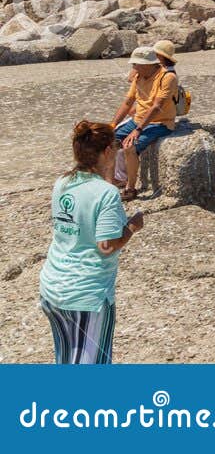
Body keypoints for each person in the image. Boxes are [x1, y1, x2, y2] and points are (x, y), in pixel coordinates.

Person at [39, 120, 144, 363]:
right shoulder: (106, 194)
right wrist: (132, 226)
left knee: (66, 360)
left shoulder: (62, 182)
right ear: (107, 152)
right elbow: (106, 246)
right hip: (85, 295)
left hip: (53, 288)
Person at [108, 46, 177, 199]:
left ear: (149, 64)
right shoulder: (139, 76)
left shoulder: (167, 77)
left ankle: (131, 189)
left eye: (136, 64)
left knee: (129, 147)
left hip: (160, 123)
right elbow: (128, 102)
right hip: (138, 119)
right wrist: (112, 125)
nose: (133, 67)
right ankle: (111, 180)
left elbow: (157, 107)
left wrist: (138, 130)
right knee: (108, 140)